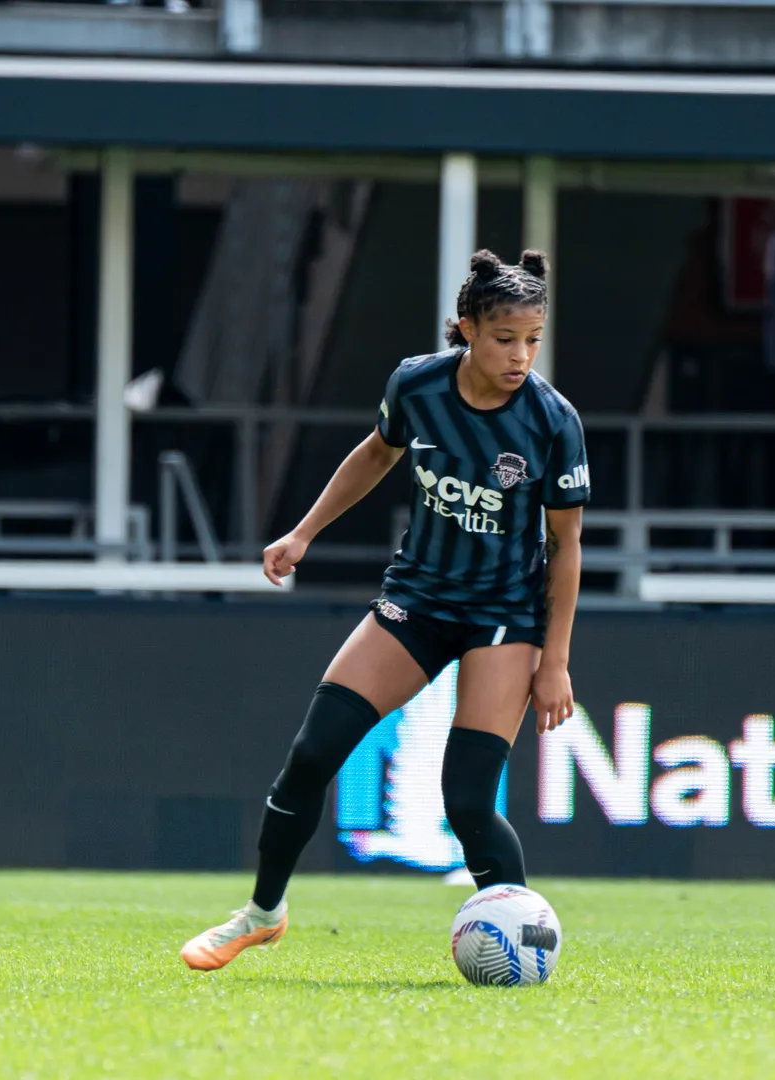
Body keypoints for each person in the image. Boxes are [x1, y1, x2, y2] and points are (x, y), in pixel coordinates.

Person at [181, 249, 589, 971]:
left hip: (503, 617)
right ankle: (261, 914)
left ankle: (521, 947)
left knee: (465, 801)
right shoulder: (417, 385)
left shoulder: (553, 422)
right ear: (466, 328)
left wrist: (553, 661)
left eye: (534, 339)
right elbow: (376, 454)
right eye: (504, 339)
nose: (521, 355)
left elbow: (565, 546)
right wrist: (303, 533)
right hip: (417, 599)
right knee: (310, 757)